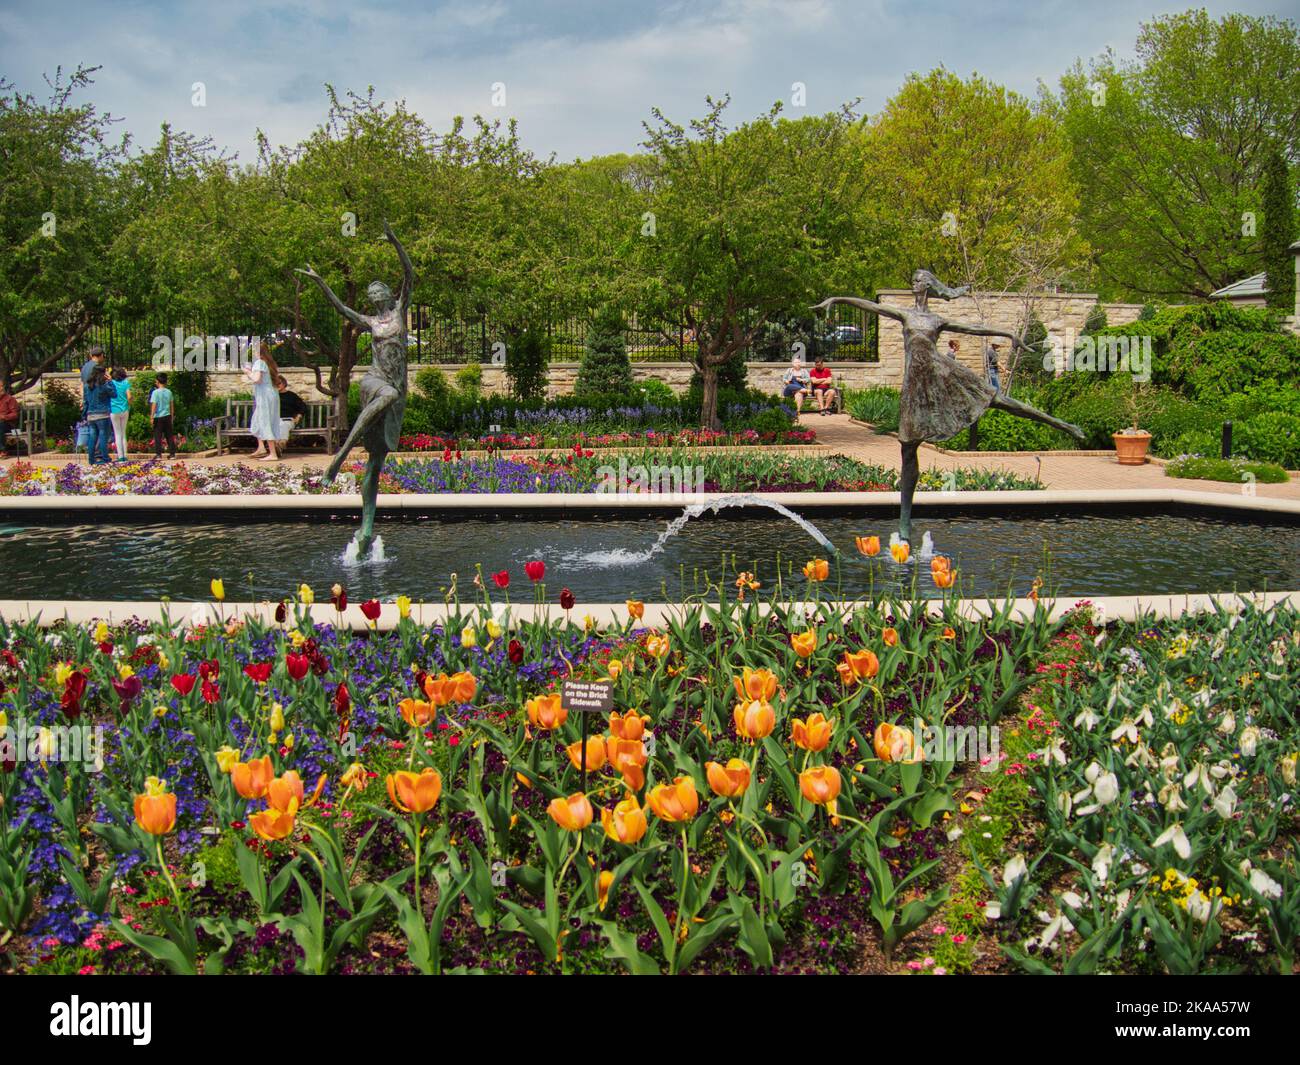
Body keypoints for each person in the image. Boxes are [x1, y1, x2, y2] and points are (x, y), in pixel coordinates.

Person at [814, 270, 1085, 543]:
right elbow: (871, 305)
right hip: (914, 387)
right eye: (914, 279)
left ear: (929, 287)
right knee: (907, 449)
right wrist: (836, 299)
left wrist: (1008, 333)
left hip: (940, 374)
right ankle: (905, 521)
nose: (914, 283)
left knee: (997, 400)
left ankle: (1063, 425)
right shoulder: (906, 314)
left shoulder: (935, 319)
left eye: (920, 280)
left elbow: (974, 329)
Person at [244, 343, 282, 461]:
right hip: (271, 395)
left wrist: (247, 372)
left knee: (265, 421)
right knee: (259, 420)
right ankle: (261, 448)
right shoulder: (269, 363)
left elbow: (257, 379)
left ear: (258, 352)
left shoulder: (259, 362)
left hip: (265, 396)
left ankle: (273, 454)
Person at [84, 366, 116, 465]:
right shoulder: (104, 385)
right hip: (103, 414)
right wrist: (110, 381)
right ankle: (105, 458)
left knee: (92, 437)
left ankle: (91, 459)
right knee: (103, 436)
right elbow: (114, 394)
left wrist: (85, 413)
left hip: (91, 414)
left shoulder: (87, 386)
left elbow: (85, 401)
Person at [150, 372, 178, 459]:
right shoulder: (169, 392)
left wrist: (151, 417)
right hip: (167, 416)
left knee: (158, 436)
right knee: (169, 435)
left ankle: (158, 454)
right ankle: (172, 454)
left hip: (158, 417)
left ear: (158, 381)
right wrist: (172, 417)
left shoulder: (155, 392)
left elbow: (154, 405)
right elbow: (171, 405)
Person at [109, 367, 132, 461]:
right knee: (123, 433)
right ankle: (125, 456)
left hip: (114, 410)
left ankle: (120, 456)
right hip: (124, 409)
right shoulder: (126, 383)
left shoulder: (111, 383)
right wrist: (129, 404)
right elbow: (129, 396)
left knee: (117, 434)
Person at [80, 346, 105, 413]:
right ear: (101, 355)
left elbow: (82, 384)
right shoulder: (98, 367)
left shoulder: (84, 367)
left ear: (91, 356)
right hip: (96, 401)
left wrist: (82, 399)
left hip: (86, 398)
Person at [0, 379, 19, 459]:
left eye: (1, 386)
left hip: (10, 426)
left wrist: (3, 417)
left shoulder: (10, 399)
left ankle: (2, 451)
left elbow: (15, 414)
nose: (1, 388)